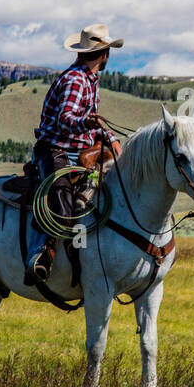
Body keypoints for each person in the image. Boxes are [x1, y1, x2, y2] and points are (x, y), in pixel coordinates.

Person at [25, 24, 122, 282]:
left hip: (80, 151)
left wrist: (110, 138)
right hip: (56, 150)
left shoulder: (90, 79)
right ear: (104, 54)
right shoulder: (75, 79)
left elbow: (93, 123)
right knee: (62, 201)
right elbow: (65, 120)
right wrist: (87, 123)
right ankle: (43, 253)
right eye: (107, 51)